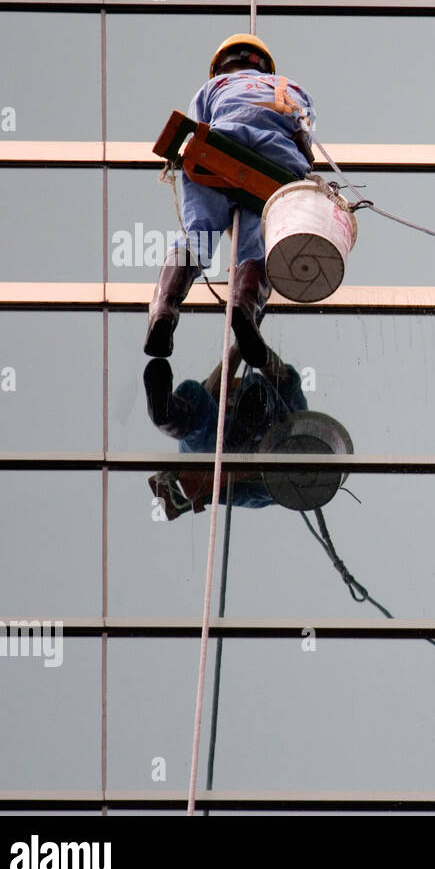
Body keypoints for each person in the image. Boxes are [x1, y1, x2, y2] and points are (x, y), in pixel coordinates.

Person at [144, 34, 316, 367]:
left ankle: (164, 308)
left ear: (222, 64)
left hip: (218, 154)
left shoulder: (213, 87)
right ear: (263, 64)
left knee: (199, 235)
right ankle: (244, 308)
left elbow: (197, 129)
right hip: (273, 173)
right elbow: (306, 146)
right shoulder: (293, 89)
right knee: (258, 248)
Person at [143, 343, 308, 518]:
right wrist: (243, 347)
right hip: (217, 444)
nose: (230, 400)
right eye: (229, 397)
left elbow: (283, 378)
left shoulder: (295, 423)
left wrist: (247, 345)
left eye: (233, 396)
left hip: (260, 441)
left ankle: (168, 417)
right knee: (195, 393)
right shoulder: (211, 421)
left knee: (260, 391)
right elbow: (210, 394)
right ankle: (165, 415)